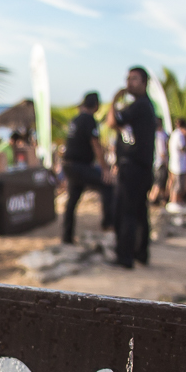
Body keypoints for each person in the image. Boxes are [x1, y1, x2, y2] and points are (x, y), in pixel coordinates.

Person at [111, 68, 157, 268]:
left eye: (134, 79)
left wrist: (113, 100)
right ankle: (141, 253)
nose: (129, 82)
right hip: (140, 167)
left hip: (135, 168)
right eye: (128, 78)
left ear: (145, 82)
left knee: (127, 213)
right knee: (139, 212)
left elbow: (112, 121)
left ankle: (125, 257)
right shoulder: (143, 106)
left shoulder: (140, 106)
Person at [59, 91, 112, 244]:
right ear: (96, 106)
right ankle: (108, 223)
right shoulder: (89, 119)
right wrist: (105, 169)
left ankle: (67, 236)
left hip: (69, 165)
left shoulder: (75, 120)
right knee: (107, 184)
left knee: (72, 199)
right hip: (79, 165)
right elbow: (96, 145)